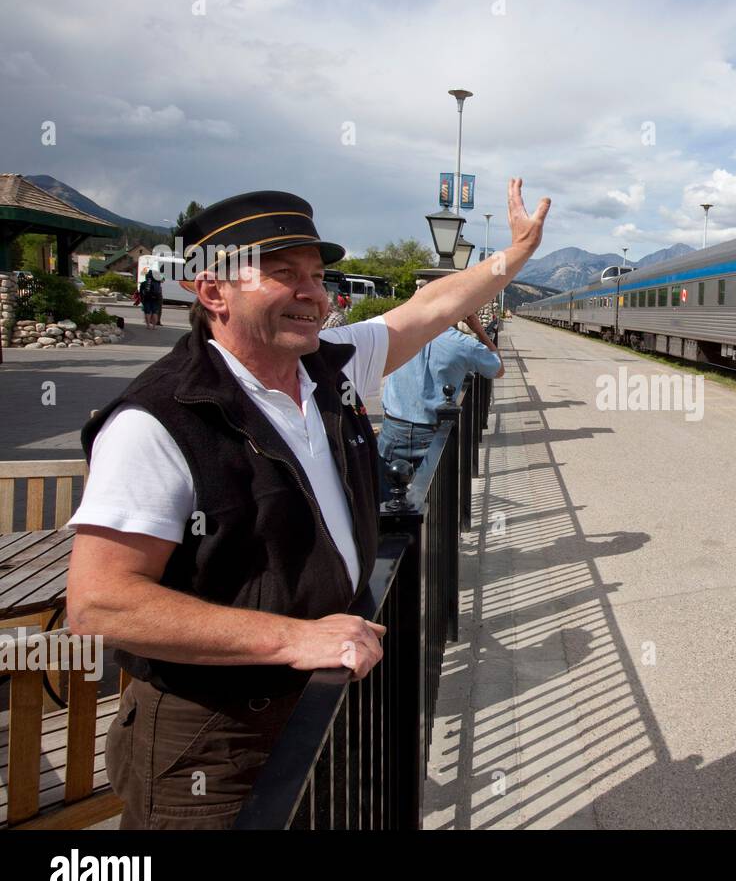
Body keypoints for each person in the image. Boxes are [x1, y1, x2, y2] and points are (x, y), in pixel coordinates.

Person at [65, 180, 549, 829]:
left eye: (317, 275)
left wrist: (514, 255)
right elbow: (99, 602)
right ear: (212, 291)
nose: (312, 293)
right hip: (215, 740)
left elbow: (428, 307)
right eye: (282, 273)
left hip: (314, 701)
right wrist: (291, 637)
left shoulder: (328, 368)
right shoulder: (158, 420)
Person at [378, 300, 504, 469]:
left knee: (388, 488)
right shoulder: (465, 345)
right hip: (433, 431)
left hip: (393, 426)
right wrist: (480, 331)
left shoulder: (396, 334)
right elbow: (498, 370)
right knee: (431, 491)